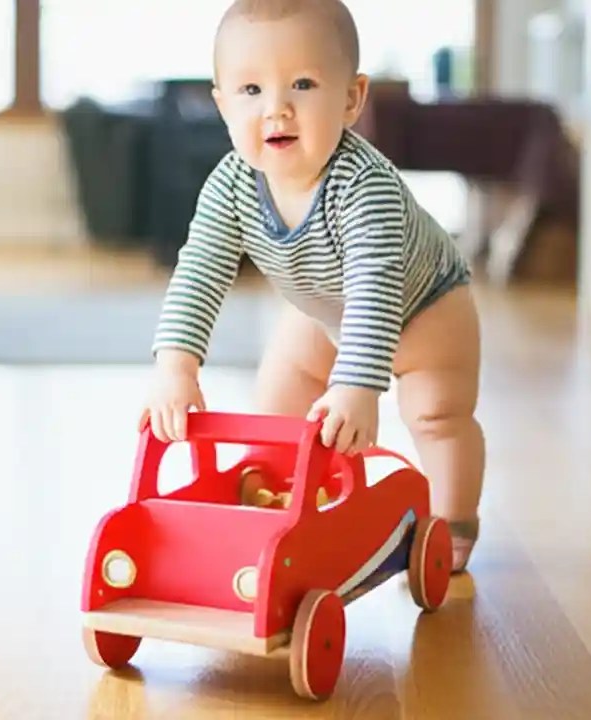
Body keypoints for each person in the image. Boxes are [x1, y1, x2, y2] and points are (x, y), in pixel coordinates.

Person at [139, 0, 485, 572]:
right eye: (251, 90)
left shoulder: (363, 186)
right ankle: (275, 497)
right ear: (222, 105)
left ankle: (454, 523)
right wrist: (175, 367)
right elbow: (199, 271)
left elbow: (376, 290)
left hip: (425, 309)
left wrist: (357, 387)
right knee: (279, 398)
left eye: (302, 84)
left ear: (350, 99)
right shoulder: (230, 185)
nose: (276, 109)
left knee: (436, 414)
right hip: (325, 308)